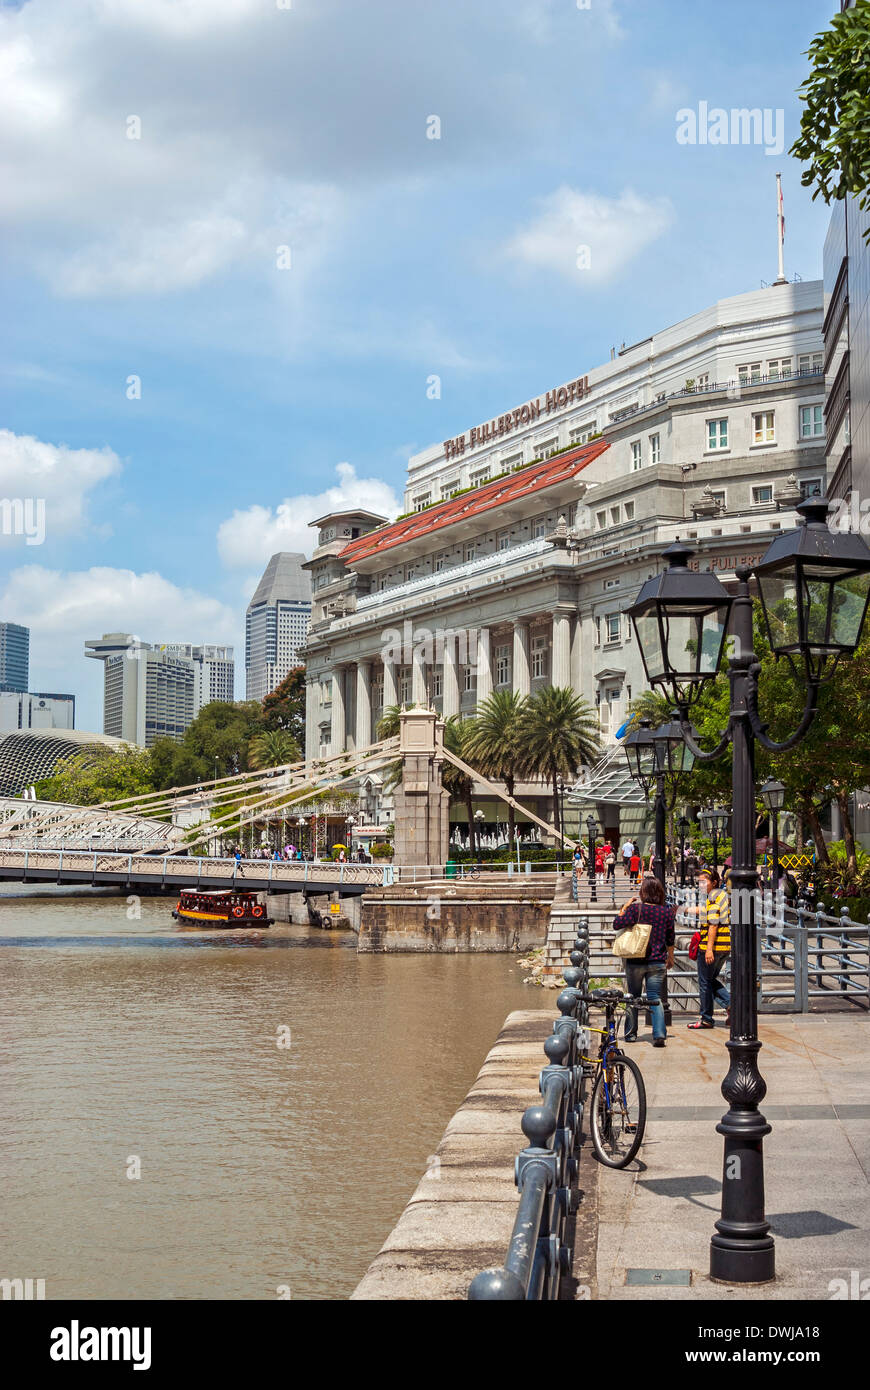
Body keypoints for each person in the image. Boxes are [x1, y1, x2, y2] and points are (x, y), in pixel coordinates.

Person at [612, 875, 675, 1047]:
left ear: (643, 892)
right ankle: (660, 1034)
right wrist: (671, 957)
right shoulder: (666, 912)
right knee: (655, 998)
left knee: (633, 997)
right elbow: (670, 938)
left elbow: (617, 924)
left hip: (636, 960)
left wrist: (624, 908)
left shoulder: (636, 910)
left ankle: (631, 1034)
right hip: (657, 961)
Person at [686, 868, 730, 1029]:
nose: (701, 885)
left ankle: (706, 1018)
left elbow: (713, 925)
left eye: (704, 882)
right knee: (710, 980)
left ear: (714, 883)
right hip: (725, 946)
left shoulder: (712, 899)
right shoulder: (721, 896)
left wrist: (709, 949)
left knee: (705, 982)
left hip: (710, 947)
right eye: (699, 882)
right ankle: (731, 1006)